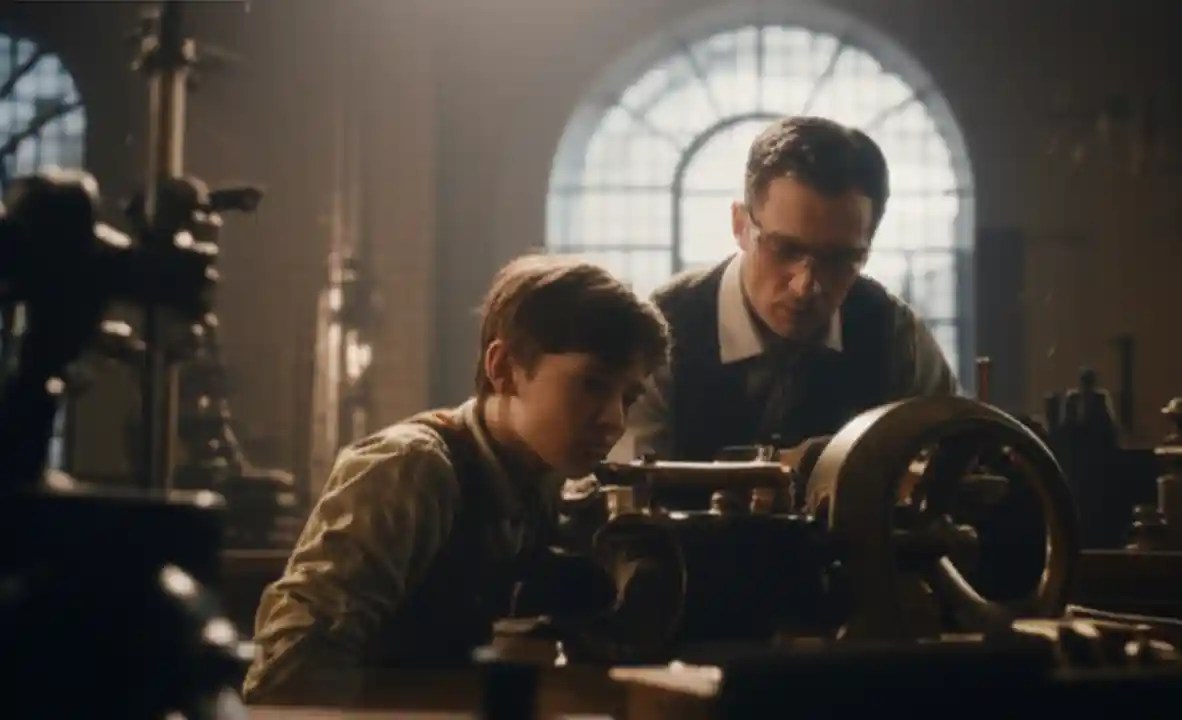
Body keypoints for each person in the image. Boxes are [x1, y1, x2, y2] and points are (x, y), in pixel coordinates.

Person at [242, 255, 669, 705]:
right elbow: (288, 677)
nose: (614, 421)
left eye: (629, 396)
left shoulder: (544, 481)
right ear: (503, 368)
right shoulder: (410, 469)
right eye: (593, 385)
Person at [624, 116, 956, 467]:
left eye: (839, 260)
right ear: (740, 225)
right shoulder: (661, 332)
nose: (805, 286)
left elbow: (957, 463)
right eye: (784, 250)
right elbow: (627, 486)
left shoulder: (894, 333)